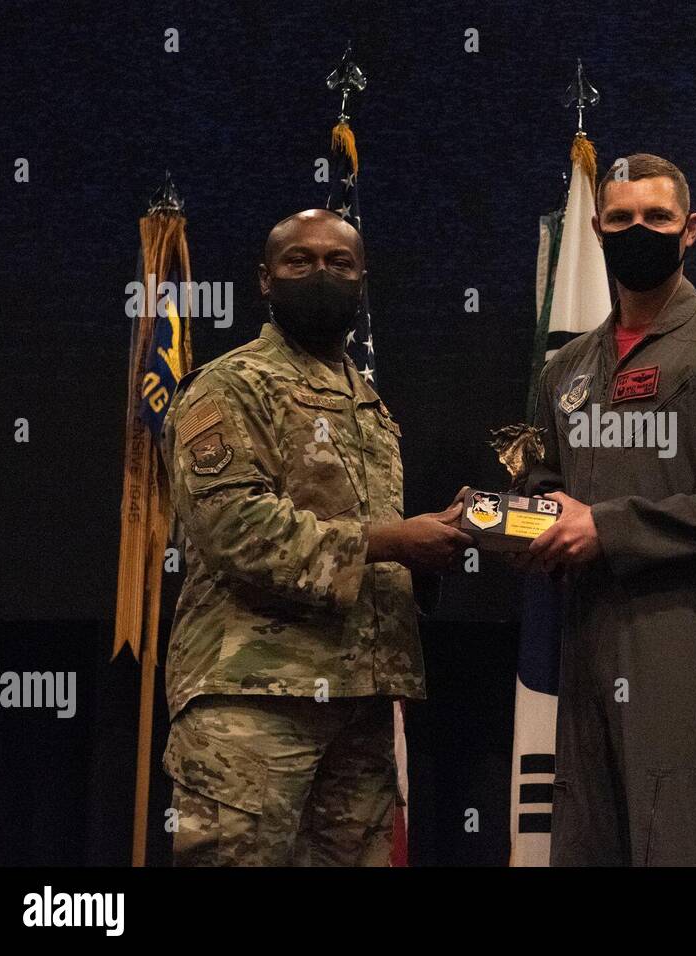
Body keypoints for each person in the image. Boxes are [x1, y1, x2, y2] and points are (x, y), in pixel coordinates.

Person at [160, 208, 468, 866]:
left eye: (339, 263)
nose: (320, 273)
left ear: (362, 280)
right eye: (300, 261)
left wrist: (448, 537)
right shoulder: (231, 385)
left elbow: (368, 539)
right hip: (252, 702)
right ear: (265, 280)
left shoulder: (366, 402)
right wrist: (392, 541)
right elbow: (234, 529)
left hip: (359, 700)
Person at [523, 153, 696, 866]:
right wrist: (530, 512)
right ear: (599, 231)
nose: (639, 230)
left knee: (684, 838)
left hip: (681, 627)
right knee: (587, 837)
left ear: (690, 229)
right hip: (586, 627)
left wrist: (603, 527)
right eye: (621, 219)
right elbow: (546, 476)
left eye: (657, 218)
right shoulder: (566, 367)